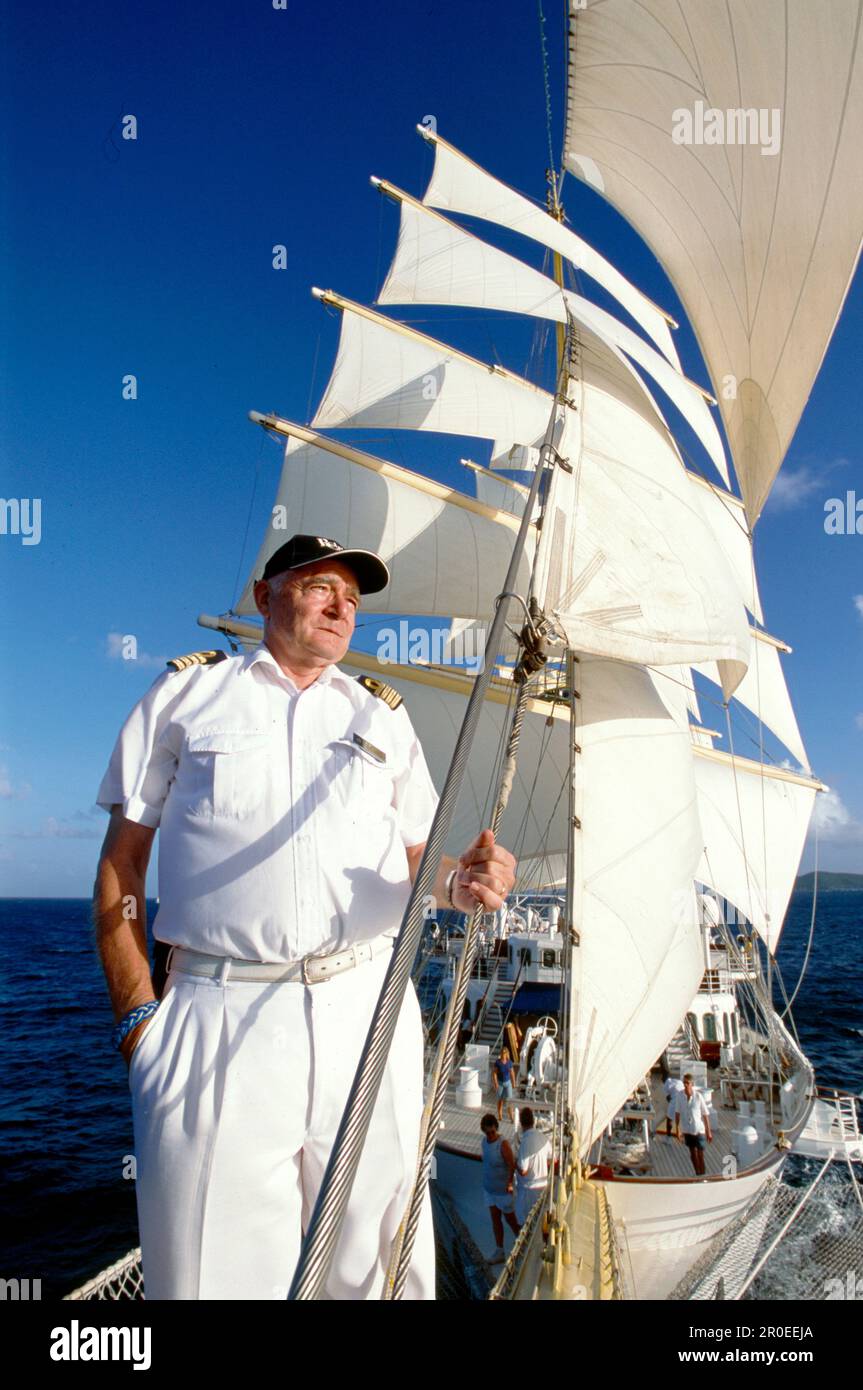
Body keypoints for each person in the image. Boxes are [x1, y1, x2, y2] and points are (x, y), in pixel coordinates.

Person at [93, 534, 516, 1301]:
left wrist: (465, 883)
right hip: (217, 1013)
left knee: (379, 1268)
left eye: (352, 599)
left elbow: (426, 867)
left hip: (367, 1015)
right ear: (263, 596)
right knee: (209, 1276)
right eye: (320, 586)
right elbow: (121, 869)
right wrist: (138, 1023)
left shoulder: (381, 718)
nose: (339, 606)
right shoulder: (184, 699)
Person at [480, 1113, 519, 1262]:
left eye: (492, 1132)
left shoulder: (503, 1144)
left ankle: (521, 1243)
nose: (490, 1135)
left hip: (503, 1191)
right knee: (495, 1220)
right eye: (487, 1132)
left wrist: (509, 1183)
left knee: (510, 1219)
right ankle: (499, 1250)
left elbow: (511, 1164)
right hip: (490, 1190)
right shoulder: (484, 1142)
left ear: (496, 1128)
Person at [514, 1106, 551, 1226]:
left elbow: (523, 1171)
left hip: (528, 1191)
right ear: (533, 1121)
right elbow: (551, 1159)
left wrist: (513, 1162)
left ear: (521, 1123)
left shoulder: (526, 1142)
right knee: (538, 1223)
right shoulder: (543, 1138)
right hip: (543, 1187)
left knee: (524, 1224)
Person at [673, 1072, 713, 1176]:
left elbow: (705, 1114)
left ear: (692, 1084)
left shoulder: (698, 1096)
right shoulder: (679, 1096)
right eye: (684, 1083)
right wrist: (678, 1130)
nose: (685, 1085)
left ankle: (703, 1174)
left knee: (700, 1154)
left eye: (687, 1083)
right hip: (687, 1129)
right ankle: (697, 1173)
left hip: (699, 1129)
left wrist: (708, 1131)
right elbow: (677, 1114)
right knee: (692, 1153)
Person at [494, 1046, 516, 1124]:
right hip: (500, 1083)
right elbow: (494, 1073)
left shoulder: (509, 1062)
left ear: (507, 1054)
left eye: (505, 1053)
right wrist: (496, 1083)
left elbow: (512, 1073)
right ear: (501, 1054)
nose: (503, 1054)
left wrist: (513, 1083)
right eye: (502, 1053)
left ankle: (511, 1117)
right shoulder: (498, 1062)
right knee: (500, 1100)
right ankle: (500, 1115)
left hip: (507, 1083)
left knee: (509, 1100)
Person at [661, 1072, 684, 1136]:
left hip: (675, 1100)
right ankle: (680, 1132)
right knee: (680, 1116)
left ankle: (668, 1136)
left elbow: (668, 1098)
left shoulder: (666, 1084)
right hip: (683, 1099)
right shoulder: (678, 1081)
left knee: (669, 1118)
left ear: (663, 1079)